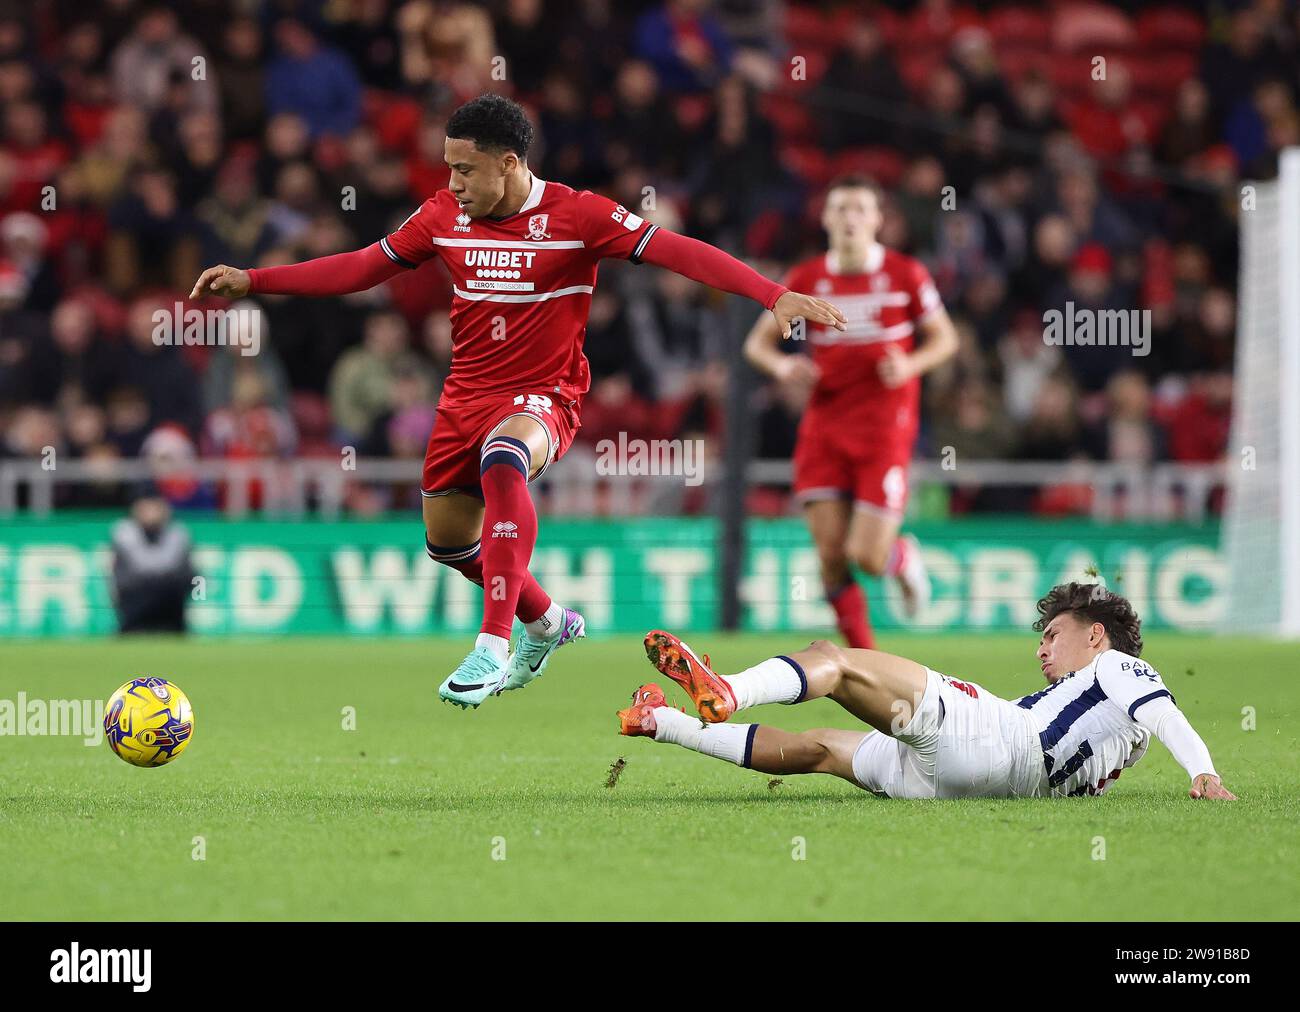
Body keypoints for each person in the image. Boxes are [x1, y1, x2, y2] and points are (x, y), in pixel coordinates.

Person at [190, 92, 845, 709]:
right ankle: (548, 621)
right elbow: (364, 266)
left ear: (509, 163)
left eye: (464, 170)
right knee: (447, 544)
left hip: (545, 395)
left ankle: (490, 645)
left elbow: (678, 252)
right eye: (448, 169)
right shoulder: (443, 217)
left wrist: (771, 293)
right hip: (463, 398)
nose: (452, 184)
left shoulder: (578, 215)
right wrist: (255, 280)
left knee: (504, 459)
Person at [618, 583, 1236, 801]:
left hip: (999, 738)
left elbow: (1162, 712)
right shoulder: (1113, 732)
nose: (1043, 648)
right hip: (967, 786)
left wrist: (1204, 772)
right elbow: (1141, 729)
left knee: (832, 660)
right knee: (822, 749)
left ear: (1096, 635)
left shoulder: (1118, 668)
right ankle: (664, 724)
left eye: (1053, 635)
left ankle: (729, 688)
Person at [743, 176, 959, 649]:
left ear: (879, 220)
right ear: (825, 219)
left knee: (867, 554)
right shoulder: (807, 279)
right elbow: (755, 345)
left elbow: (946, 339)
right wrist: (783, 366)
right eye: (839, 208)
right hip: (825, 424)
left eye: (860, 208)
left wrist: (909, 364)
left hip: (884, 428)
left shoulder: (906, 275)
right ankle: (865, 661)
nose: (850, 217)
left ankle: (901, 557)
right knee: (830, 556)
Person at [109, 493, 195, 633]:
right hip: (135, 600)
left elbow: (189, 574)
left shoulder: (178, 533)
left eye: (155, 506)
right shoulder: (124, 533)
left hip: (170, 601)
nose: (150, 512)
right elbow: (124, 575)